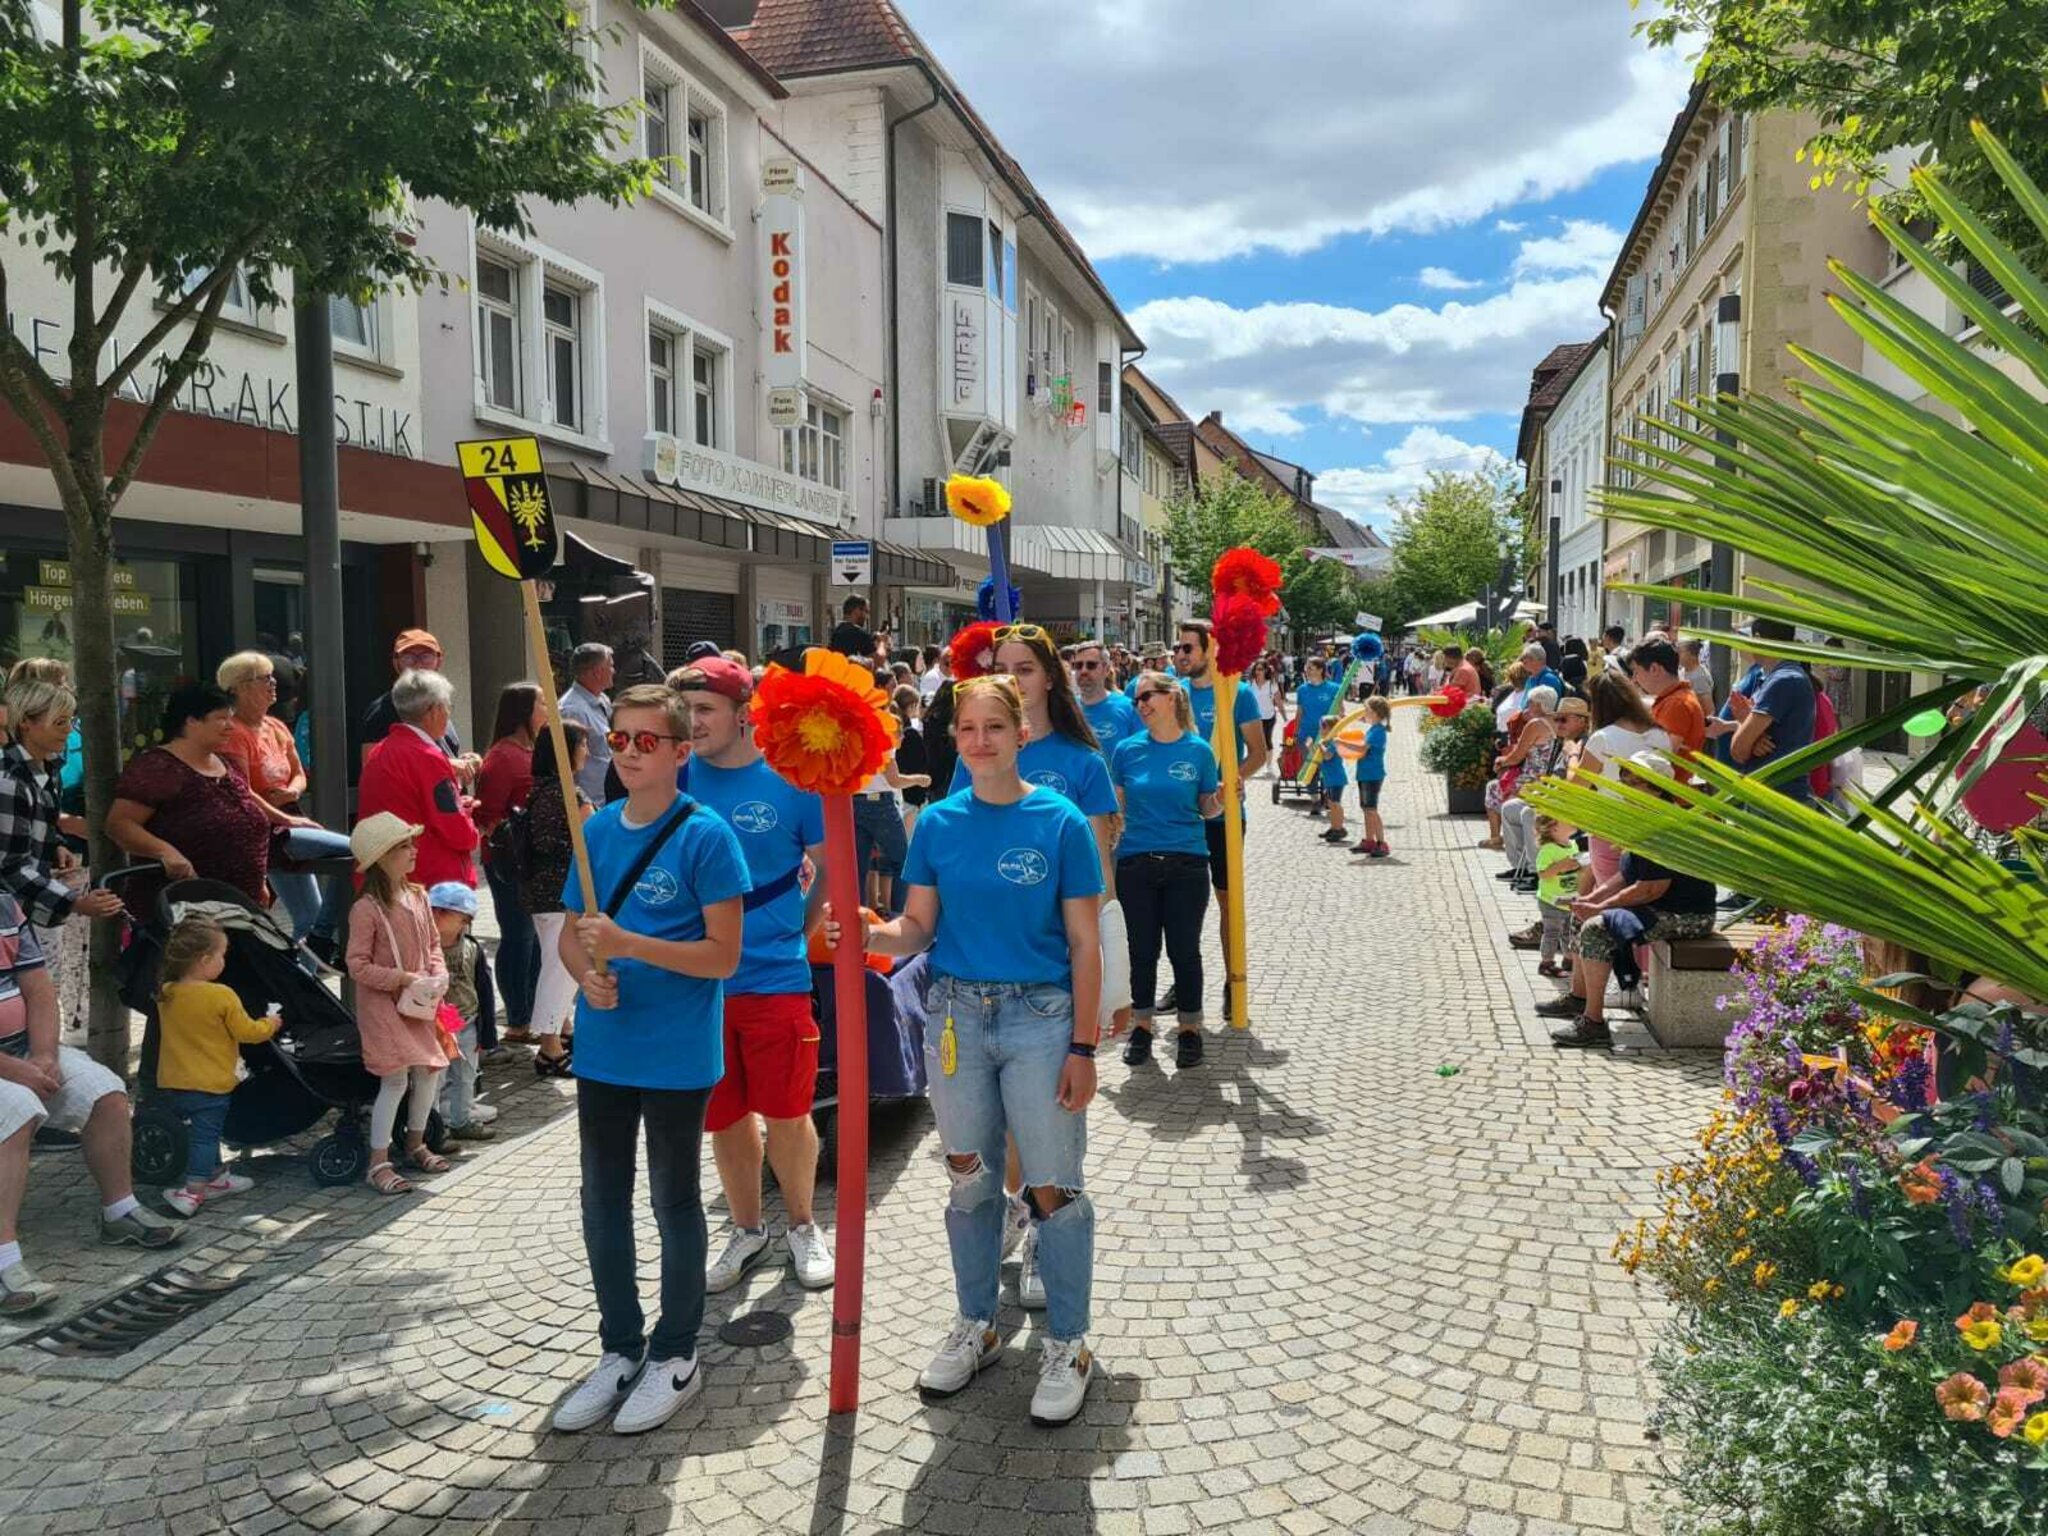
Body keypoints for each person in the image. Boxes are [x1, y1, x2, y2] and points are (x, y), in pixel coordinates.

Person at [834, 675, 1104, 1427]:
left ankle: (1069, 1344)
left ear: (1022, 733)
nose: (980, 740)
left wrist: (1083, 1046)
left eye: (994, 726)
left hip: (1040, 1018)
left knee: (1051, 1185)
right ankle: (977, 1322)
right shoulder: (940, 825)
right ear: (953, 739)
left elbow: (1085, 944)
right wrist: (867, 933)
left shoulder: (1061, 823)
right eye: (966, 729)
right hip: (954, 1016)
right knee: (969, 1179)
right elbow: (915, 928)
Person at [549, 685, 750, 1437]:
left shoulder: (706, 835)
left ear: (678, 751)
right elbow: (575, 932)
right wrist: (584, 974)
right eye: (621, 739)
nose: (629, 752)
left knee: (673, 1201)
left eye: (646, 741)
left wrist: (632, 947)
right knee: (600, 1198)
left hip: (675, 1053)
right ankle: (620, 1346)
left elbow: (723, 955)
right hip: (605, 1047)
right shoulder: (595, 829)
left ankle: (675, 1352)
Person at [668, 658, 836, 1296]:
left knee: (789, 1111)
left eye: (704, 709)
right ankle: (746, 1230)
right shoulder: (675, 780)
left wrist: (798, 928)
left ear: (743, 714)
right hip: (698, 984)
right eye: (685, 710)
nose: (692, 722)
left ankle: (800, 1225)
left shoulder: (792, 780)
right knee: (724, 1115)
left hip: (774, 976)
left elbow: (825, 867)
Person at [0, 890, 178, 1313]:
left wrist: (44, 1055)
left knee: (106, 1092)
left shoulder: (6, 906)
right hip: (6, 1066)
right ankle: (3, 1261)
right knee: (17, 1110)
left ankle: (120, 1211)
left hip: (26, 1050)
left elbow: (41, 990)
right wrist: (14, 1070)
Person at [1539, 755, 1717, 1049]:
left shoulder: (1666, 825)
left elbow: (1650, 889)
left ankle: (1593, 1022)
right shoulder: (1642, 817)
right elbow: (1627, 874)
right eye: (1626, 779)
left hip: (1687, 913)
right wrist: (1591, 899)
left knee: (1596, 928)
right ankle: (1579, 997)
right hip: (1659, 904)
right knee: (1580, 914)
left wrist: (1601, 908)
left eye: (1640, 783)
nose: (1629, 787)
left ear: (1659, 788)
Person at [0, 677, 125, 1045]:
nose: (68, 731)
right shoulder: (9, 780)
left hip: (26, 911)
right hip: (10, 913)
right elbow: (9, 865)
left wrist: (53, 844)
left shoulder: (45, 767)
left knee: (36, 992)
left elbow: (36, 825)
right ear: (26, 722)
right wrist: (74, 902)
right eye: (59, 722)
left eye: (71, 720)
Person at [1111, 672, 1221, 1068]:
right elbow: (1117, 810)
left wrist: (1221, 799)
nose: (1139, 704)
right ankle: (1142, 1026)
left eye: (1146, 696)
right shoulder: (1126, 750)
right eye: (1136, 699)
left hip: (1187, 862)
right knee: (1141, 951)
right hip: (1137, 861)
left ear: (1172, 698)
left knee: (1184, 950)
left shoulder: (1199, 751)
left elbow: (1208, 809)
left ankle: (1189, 1029)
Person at [345, 813, 452, 1195]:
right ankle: (378, 1161)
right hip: (384, 1005)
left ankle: (415, 1142)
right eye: (404, 846)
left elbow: (434, 945)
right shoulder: (367, 909)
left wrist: (438, 974)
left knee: (429, 1071)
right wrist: (402, 978)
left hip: (418, 1001)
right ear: (382, 857)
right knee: (395, 1078)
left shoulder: (419, 896)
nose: (413, 851)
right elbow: (356, 964)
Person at [106, 682, 275, 922]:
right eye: (221, 718)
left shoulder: (229, 765)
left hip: (240, 909)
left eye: (231, 718)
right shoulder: (158, 768)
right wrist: (165, 852)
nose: (230, 726)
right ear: (191, 721)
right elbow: (119, 824)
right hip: (185, 913)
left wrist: (260, 882)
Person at [216, 651, 350, 950]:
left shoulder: (276, 726)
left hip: (289, 818)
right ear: (240, 687)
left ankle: (299, 985)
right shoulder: (233, 732)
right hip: (267, 829)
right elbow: (241, 790)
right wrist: (286, 818)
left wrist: (292, 792)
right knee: (360, 850)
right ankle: (324, 936)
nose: (274, 683)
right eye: (265, 678)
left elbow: (300, 774)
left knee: (308, 918)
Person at [153, 913, 282, 1216]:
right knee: (205, 1136)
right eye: (222, 955)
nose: (225, 961)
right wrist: (271, 1023)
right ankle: (195, 1191)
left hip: (174, 1079)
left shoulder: (167, 992)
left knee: (198, 1131)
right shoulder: (221, 995)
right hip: (210, 1083)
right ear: (205, 959)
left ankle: (217, 1176)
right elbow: (248, 1033)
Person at [1171, 620, 1267, 1005]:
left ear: (1210, 651)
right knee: (1179, 906)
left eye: (1187, 649)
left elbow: (1259, 753)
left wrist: (1235, 779)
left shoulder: (1237, 693)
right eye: (1178, 649)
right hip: (1179, 818)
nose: (1179, 655)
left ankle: (1233, 982)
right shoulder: (1172, 694)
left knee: (1227, 900)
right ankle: (1183, 983)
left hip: (1224, 819)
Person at [357, 669, 479, 891]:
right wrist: (471, 824)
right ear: (434, 711)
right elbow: (454, 828)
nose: (448, 714)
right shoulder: (428, 757)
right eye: (447, 706)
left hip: (392, 877)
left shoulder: (381, 751)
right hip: (430, 882)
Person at [522, 722, 591, 1077]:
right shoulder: (568, 794)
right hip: (563, 892)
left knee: (554, 962)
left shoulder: (539, 790)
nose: (588, 752)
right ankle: (549, 1046)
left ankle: (561, 1030)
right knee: (561, 967)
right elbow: (588, 842)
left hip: (541, 889)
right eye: (583, 745)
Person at [477, 682, 543, 1046]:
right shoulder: (502, 757)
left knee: (531, 940)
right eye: (541, 704)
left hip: (531, 864)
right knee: (518, 938)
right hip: (508, 864)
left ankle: (531, 1011)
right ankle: (518, 1019)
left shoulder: (528, 751)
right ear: (523, 713)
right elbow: (486, 815)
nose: (546, 710)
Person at [1576, 672, 1673, 890]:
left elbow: (1576, 785)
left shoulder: (1602, 739)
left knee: (1608, 896)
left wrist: (1572, 754)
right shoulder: (1660, 736)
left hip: (1609, 825)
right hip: (1651, 828)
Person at [1705, 619, 1817, 800]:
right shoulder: (1775, 676)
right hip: (1765, 792)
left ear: (1757, 639)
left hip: (1776, 796)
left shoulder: (1784, 679)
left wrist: (1747, 727)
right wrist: (1746, 728)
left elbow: (1739, 750)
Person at [429, 881, 497, 1143]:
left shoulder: (471, 947)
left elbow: (484, 989)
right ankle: (432, 1127)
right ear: (437, 913)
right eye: (460, 918)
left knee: (466, 1077)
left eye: (467, 919)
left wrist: (487, 1033)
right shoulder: (425, 947)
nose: (464, 924)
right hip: (436, 1025)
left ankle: (462, 1120)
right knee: (435, 1081)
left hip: (467, 1021)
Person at [361, 629, 473, 777]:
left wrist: (467, 763)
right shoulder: (382, 710)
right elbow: (373, 768)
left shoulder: (439, 704)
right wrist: (447, 764)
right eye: (409, 657)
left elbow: (442, 755)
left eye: (426, 656)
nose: (418, 664)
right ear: (396, 663)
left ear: (439, 661)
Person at [1628, 637, 1708, 763]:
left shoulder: (1676, 704)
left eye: (1636, 672)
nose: (1634, 679)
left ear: (1654, 669)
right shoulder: (1675, 699)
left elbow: (1659, 760)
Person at [559, 644, 616, 808]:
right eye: (610, 666)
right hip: (589, 805)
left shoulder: (602, 700)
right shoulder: (572, 711)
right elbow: (568, 765)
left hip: (608, 798)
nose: (614, 671)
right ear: (597, 672)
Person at [1071, 640, 1141, 764]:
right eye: (1078, 665)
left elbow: (1140, 754)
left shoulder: (1129, 708)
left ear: (1107, 669)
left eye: (1091, 665)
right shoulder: (1067, 709)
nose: (1084, 671)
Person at [1531, 815, 1583, 979]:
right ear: (1554, 827)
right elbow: (1543, 873)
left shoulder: (1573, 845)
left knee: (1570, 931)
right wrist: (1561, 866)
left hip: (1569, 899)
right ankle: (1547, 963)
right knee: (1552, 932)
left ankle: (1569, 960)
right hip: (1551, 901)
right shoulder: (1548, 850)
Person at [1350, 695, 1392, 858]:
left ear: (1374, 713)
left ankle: (1382, 843)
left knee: (1372, 810)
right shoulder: (1374, 729)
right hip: (1365, 774)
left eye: (1366, 710)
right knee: (1366, 809)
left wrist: (1342, 743)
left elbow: (1362, 749)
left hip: (1372, 775)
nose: (1364, 713)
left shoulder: (1378, 732)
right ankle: (1369, 840)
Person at [829, 595, 879, 661]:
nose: (867, 617)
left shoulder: (836, 633)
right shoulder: (859, 634)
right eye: (866, 612)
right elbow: (877, 661)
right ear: (857, 610)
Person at [1246, 661, 1279, 760]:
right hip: (1254, 717)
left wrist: (1285, 717)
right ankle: (1253, 763)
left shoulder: (1271, 684)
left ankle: (1269, 765)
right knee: (1252, 741)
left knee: (1267, 740)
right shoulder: (1250, 683)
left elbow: (1278, 701)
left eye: (1260, 669)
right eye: (1256, 669)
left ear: (1265, 670)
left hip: (1269, 716)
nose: (1257, 671)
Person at [1679, 638, 1715, 711]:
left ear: (1691, 654)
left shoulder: (1699, 676)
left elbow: (1709, 709)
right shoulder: (1682, 671)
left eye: (1680, 652)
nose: (1677, 655)